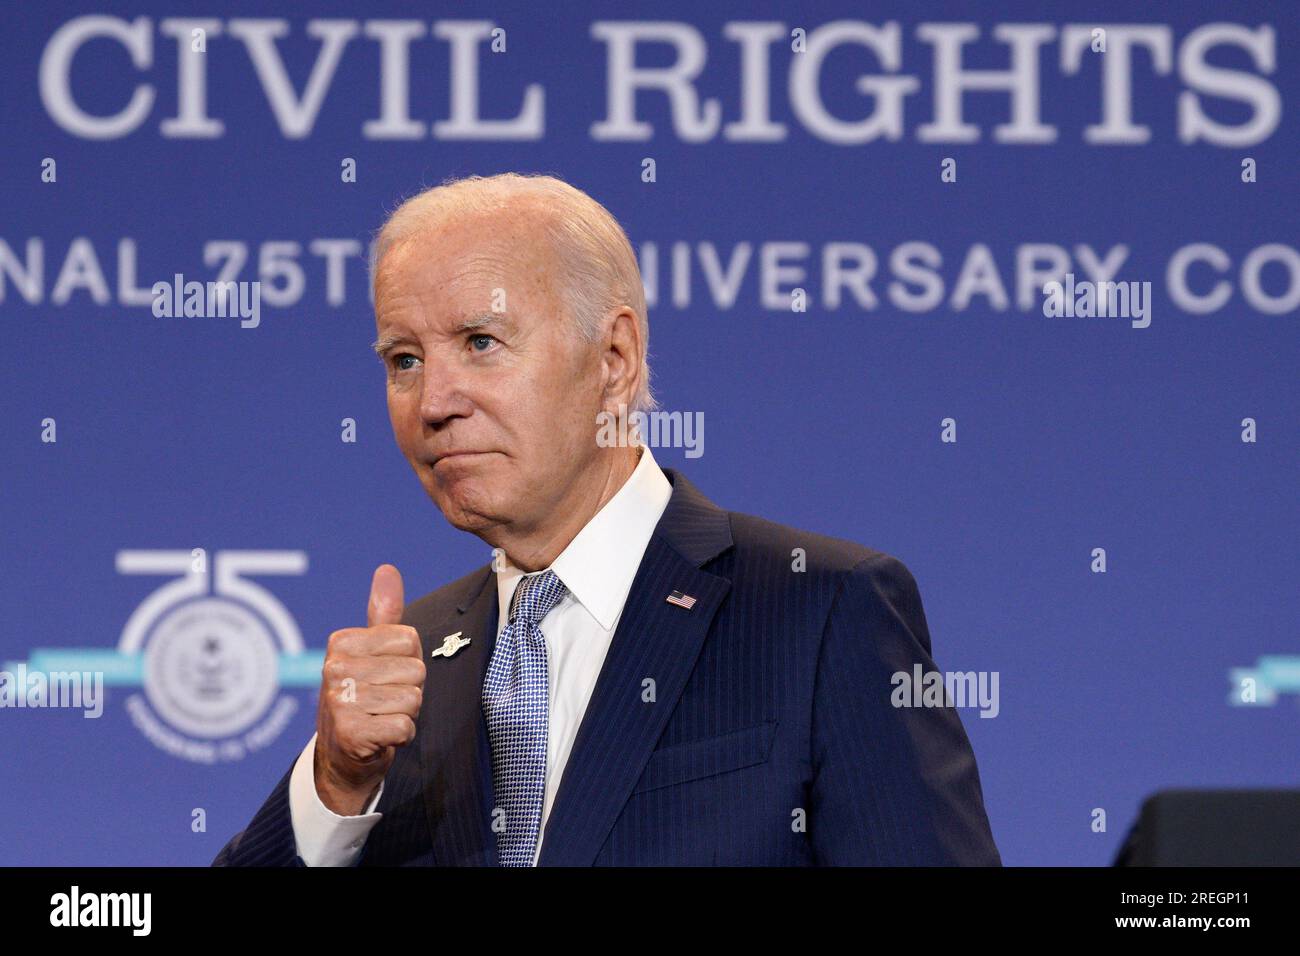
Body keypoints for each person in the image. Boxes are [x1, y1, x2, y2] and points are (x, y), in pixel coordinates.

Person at [213, 172, 1000, 866]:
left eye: (481, 342)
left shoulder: (819, 611)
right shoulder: (410, 669)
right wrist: (338, 788)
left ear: (614, 359)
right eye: (404, 361)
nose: (434, 404)